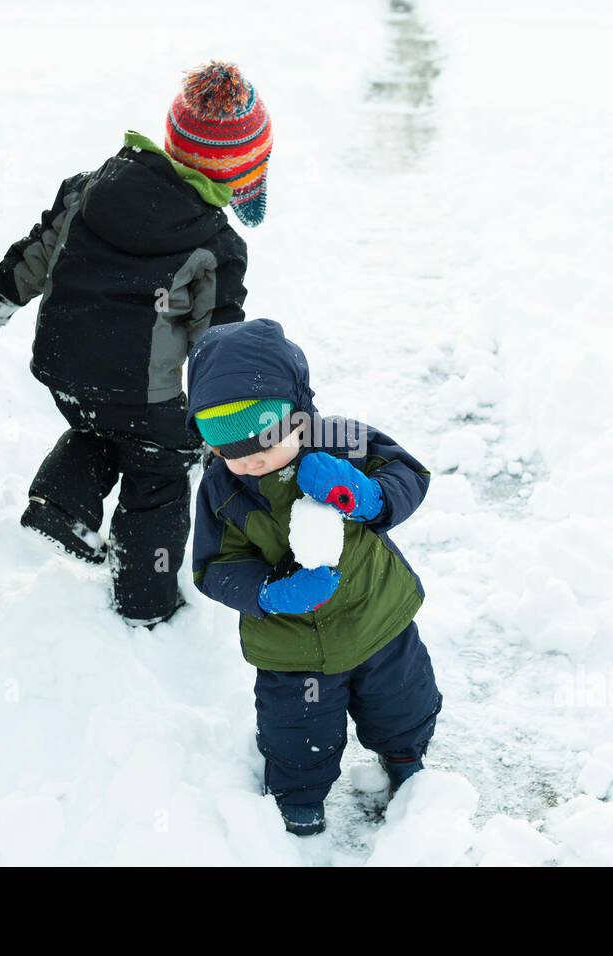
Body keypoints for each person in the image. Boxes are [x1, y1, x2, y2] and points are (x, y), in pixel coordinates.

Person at [0, 62, 271, 626]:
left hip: (64, 370)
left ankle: (60, 504)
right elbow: (219, 347)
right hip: (145, 391)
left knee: (99, 425)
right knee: (158, 472)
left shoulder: (91, 186)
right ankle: (146, 600)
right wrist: (229, 427)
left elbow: (35, 254)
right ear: (238, 172)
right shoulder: (216, 244)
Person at [187, 319, 443, 835]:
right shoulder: (222, 490)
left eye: (264, 446)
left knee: (400, 700)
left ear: (300, 416)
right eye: (229, 453)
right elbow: (213, 566)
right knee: (297, 730)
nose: (250, 462)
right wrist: (267, 593)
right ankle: (298, 795)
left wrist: (371, 497)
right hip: (291, 643)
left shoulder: (339, 440)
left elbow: (409, 473)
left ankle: (403, 758)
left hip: (377, 616)